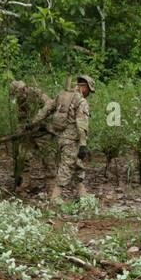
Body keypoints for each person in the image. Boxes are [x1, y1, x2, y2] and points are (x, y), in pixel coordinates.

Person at [48, 75, 94, 203]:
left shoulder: (63, 96)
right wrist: (83, 144)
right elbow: (81, 124)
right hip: (73, 140)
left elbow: (48, 108)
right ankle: (55, 197)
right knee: (67, 167)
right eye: (89, 90)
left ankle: (82, 194)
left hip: (62, 138)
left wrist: (34, 122)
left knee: (77, 165)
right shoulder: (81, 101)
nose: (89, 93)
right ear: (84, 87)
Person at [9, 80, 54, 190]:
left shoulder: (36, 93)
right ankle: (25, 182)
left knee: (48, 157)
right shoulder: (19, 100)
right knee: (23, 156)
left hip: (42, 131)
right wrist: (22, 130)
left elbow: (50, 104)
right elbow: (21, 118)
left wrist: (36, 120)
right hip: (27, 132)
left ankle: (52, 184)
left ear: (23, 90)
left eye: (18, 94)